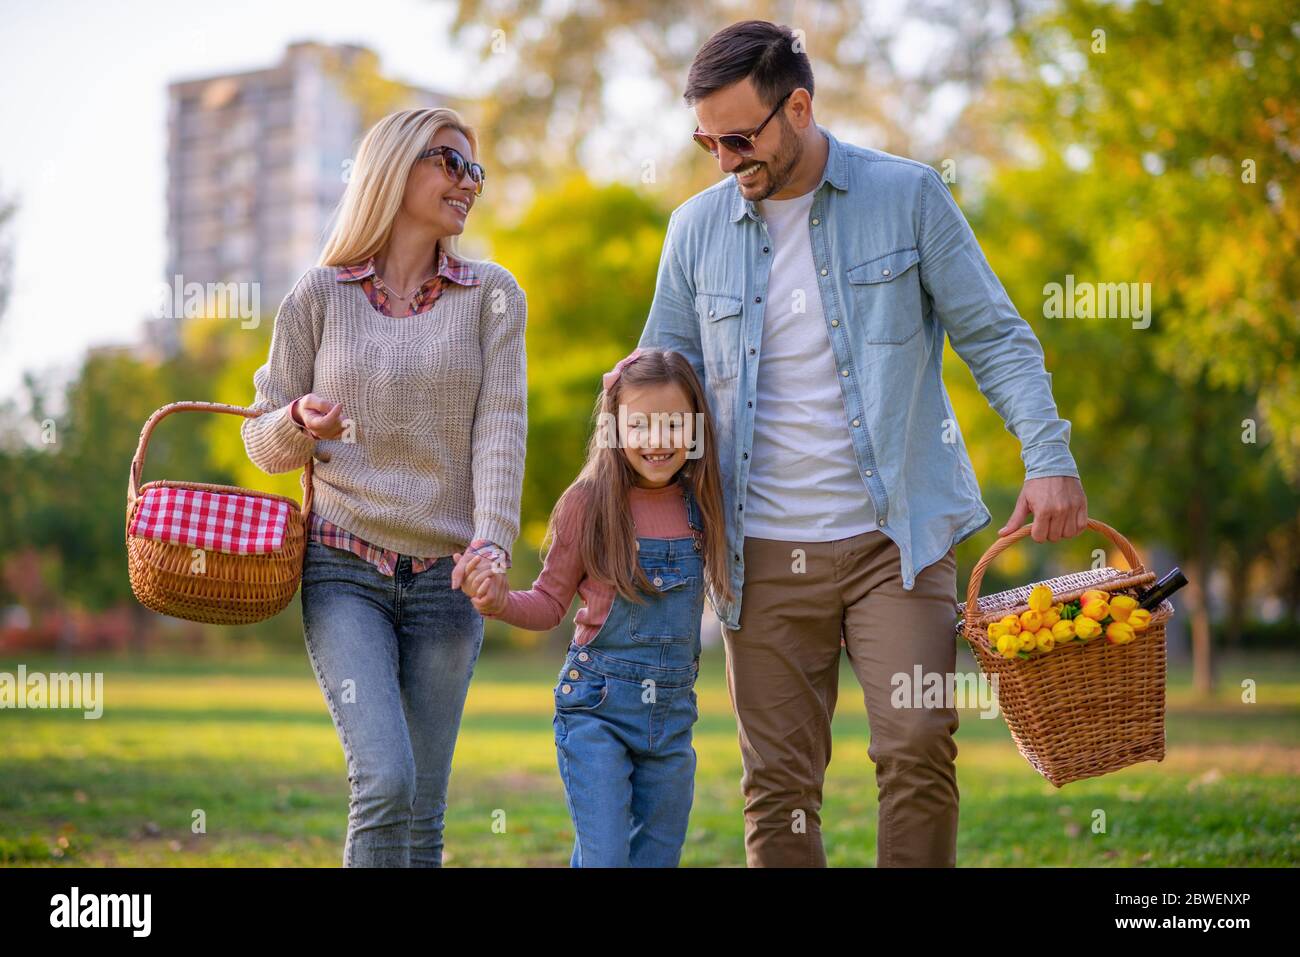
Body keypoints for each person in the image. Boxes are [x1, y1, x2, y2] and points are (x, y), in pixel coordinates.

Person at [638, 20, 1088, 867]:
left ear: (798, 107)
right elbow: (661, 378)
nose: (724, 161)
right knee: (778, 781)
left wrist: (1048, 453)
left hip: (899, 539)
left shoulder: (908, 196)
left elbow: (994, 335)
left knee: (918, 744)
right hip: (758, 549)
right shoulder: (693, 231)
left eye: (739, 138)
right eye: (706, 141)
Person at [241, 107, 527, 867]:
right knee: (385, 781)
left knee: (424, 810)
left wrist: (493, 542)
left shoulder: (494, 296)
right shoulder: (318, 294)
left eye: (476, 170)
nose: (467, 182)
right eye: (449, 162)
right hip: (343, 570)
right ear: (393, 168)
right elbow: (260, 439)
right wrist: (299, 418)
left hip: (447, 580)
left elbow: (501, 430)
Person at [459, 348, 733, 867]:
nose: (657, 440)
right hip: (597, 710)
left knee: (658, 857)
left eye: (674, 424)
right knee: (605, 857)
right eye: (640, 425)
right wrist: (498, 600)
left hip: (672, 719)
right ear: (614, 428)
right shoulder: (588, 503)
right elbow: (547, 603)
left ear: (696, 427)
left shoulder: (704, 502)